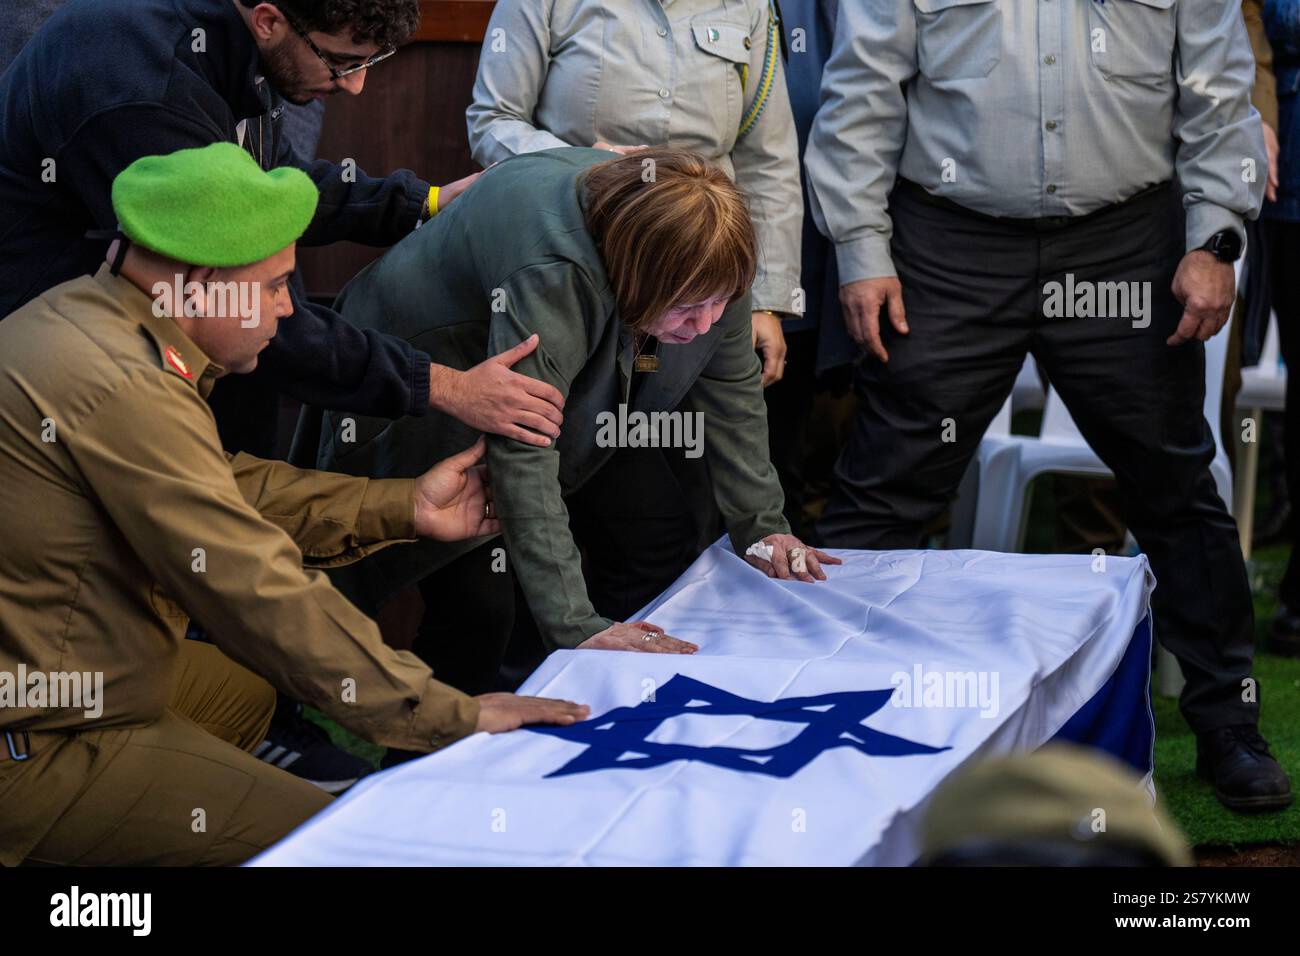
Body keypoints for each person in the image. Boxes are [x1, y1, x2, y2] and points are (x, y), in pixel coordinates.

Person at [0, 143, 587, 866]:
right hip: (41, 733)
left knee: (246, 696)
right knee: (347, 848)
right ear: (201, 281)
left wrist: (405, 505)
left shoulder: (89, 315)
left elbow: (220, 483)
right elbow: (249, 581)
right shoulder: (123, 383)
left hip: (57, 668)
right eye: (277, 285)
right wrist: (443, 712)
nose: (288, 309)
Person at [806, 0, 1291, 811]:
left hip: (1124, 239)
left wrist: (1214, 241)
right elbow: (862, 89)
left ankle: (1226, 722)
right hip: (949, 241)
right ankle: (828, 705)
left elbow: (1217, 93)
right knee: (887, 485)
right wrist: (860, 247)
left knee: (1173, 484)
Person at [304, 146, 839, 660]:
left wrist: (763, 527)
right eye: (686, 309)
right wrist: (577, 629)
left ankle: (597, 698)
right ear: (633, 277)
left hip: (574, 372)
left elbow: (732, 397)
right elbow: (524, 441)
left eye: (719, 304)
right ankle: (421, 735)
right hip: (426, 365)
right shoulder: (555, 270)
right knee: (477, 602)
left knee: (652, 533)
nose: (704, 325)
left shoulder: (714, 255)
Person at [0, 0, 559, 458]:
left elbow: (276, 184)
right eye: (342, 62)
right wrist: (447, 386)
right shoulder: (143, 87)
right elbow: (250, 315)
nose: (357, 86)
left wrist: (427, 202)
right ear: (269, 20)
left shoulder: (236, 42)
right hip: (51, 373)